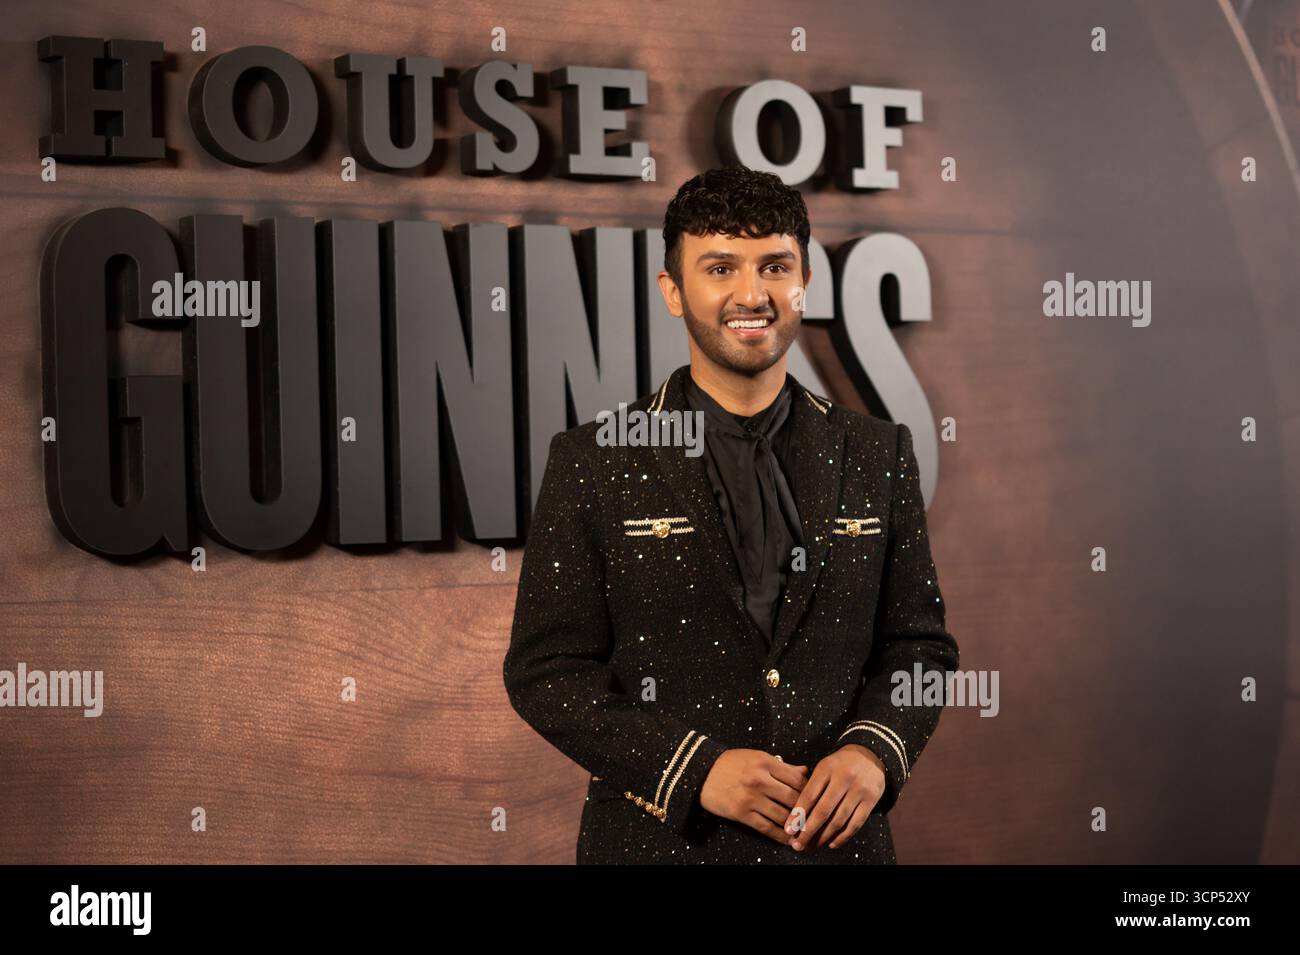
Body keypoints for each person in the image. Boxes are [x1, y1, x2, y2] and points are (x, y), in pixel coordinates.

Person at [503, 165, 959, 863]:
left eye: (776, 266)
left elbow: (919, 648)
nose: (752, 294)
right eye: (720, 268)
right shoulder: (593, 459)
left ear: (805, 280)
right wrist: (695, 770)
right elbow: (546, 670)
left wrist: (876, 749)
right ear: (673, 291)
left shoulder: (878, 452)